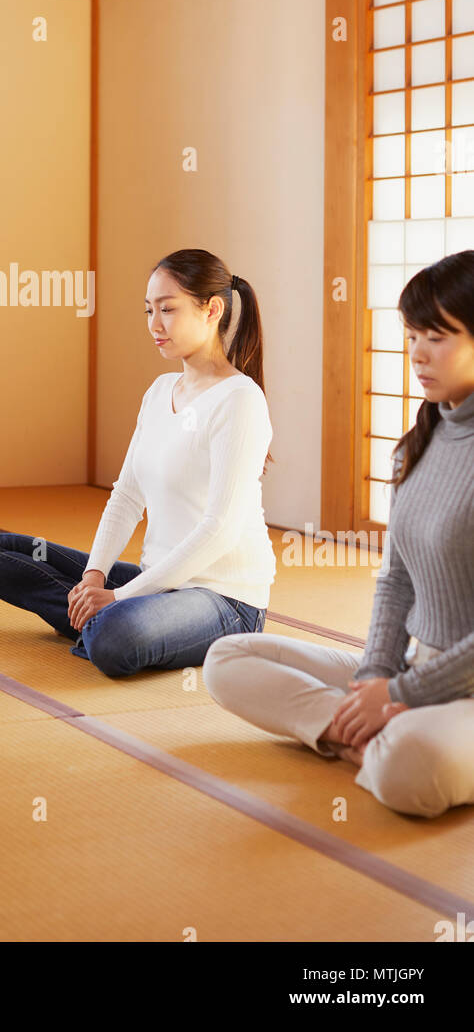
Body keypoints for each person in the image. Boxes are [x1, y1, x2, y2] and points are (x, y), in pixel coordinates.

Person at [203, 250, 474, 819]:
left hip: (457, 691)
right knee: (227, 658)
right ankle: (360, 736)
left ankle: (376, 739)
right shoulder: (418, 446)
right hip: (413, 671)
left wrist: (400, 698)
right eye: (412, 336)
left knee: (408, 767)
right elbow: (396, 578)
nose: (418, 354)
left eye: (439, 337)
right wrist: (377, 678)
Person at [0, 249, 276, 676]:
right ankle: (92, 616)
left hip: (222, 599)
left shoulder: (240, 400)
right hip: (156, 584)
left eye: (168, 309)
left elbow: (219, 530)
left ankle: (101, 622)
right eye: (149, 310)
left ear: (213, 310)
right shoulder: (160, 390)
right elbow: (127, 496)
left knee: (115, 639)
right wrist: (95, 578)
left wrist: (120, 597)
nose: (154, 325)